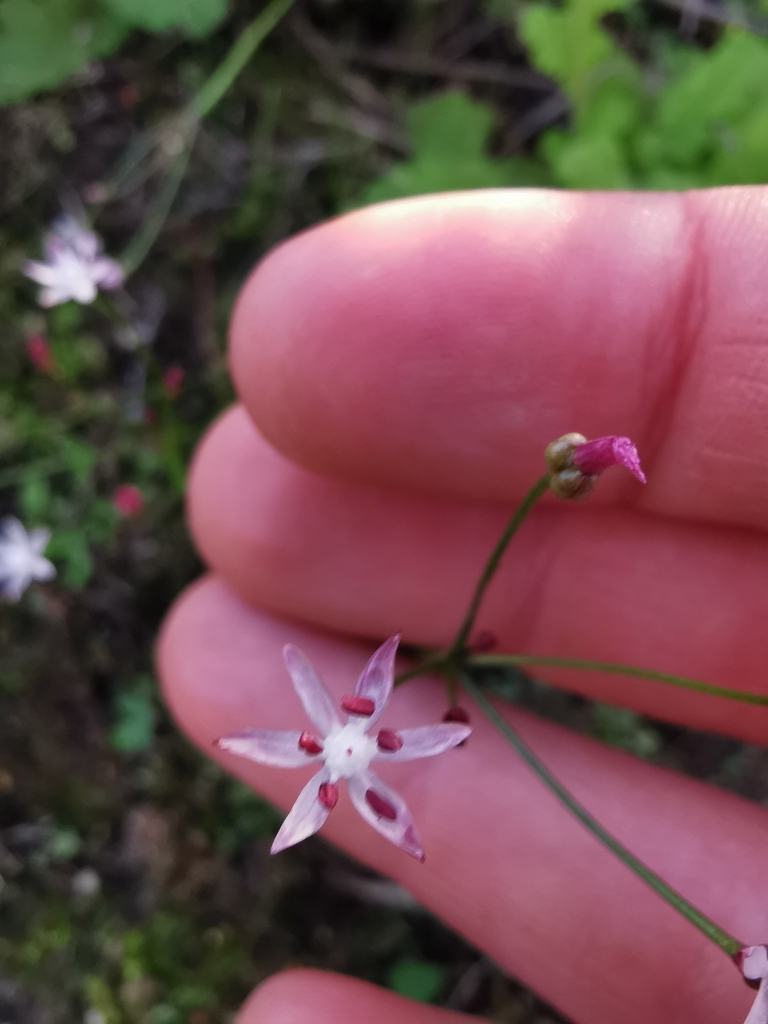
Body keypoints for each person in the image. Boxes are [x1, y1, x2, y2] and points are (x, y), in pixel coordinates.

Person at [157, 188, 768, 1024]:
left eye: (337, 745)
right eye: (341, 747)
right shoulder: (350, 741)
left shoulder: (365, 734)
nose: (341, 748)